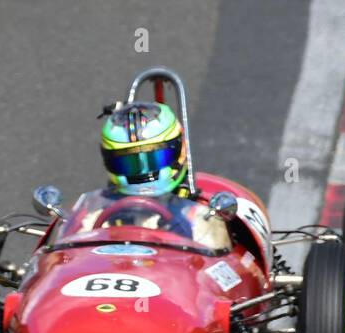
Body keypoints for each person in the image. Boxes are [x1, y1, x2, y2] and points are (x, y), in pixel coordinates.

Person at [70, 101, 230, 250]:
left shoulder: (200, 220)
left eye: (155, 159)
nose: (143, 171)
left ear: (180, 150)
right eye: (130, 163)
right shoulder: (94, 219)